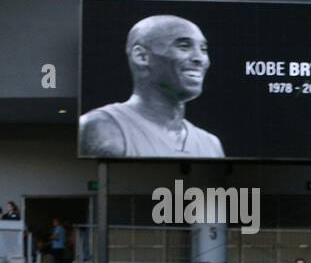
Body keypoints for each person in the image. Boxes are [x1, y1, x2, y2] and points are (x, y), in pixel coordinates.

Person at [79, 15, 224, 158]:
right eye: (184, 46)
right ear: (141, 56)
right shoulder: (104, 128)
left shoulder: (211, 144)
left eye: (203, 49)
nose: (199, 58)